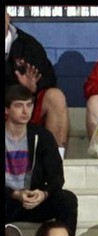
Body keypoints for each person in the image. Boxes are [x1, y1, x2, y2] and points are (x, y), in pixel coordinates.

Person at [5, 84, 79, 236]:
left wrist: (43, 194)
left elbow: (57, 177)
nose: (25, 111)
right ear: (7, 110)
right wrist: (14, 194)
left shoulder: (41, 135)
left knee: (66, 199)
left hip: (34, 200)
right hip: (9, 200)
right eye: (19, 106)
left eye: (29, 105)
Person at [5, 10, 70, 155]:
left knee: (55, 97)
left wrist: (33, 87)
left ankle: (55, 161)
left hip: (24, 105)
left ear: (8, 18)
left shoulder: (28, 45)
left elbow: (49, 78)